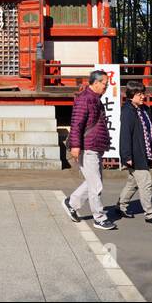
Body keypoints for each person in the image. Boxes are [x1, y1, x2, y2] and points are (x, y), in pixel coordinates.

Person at [63, 69, 116, 230]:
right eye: (104, 84)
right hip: (87, 147)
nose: (106, 87)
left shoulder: (95, 100)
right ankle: (99, 217)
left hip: (95, 145)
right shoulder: (85, 99)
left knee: (94, 181)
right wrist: (76, 146)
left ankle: (71, 203)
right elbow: (77, 124)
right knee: (96, 185)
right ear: (96, 82)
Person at [115, 83, 152, 225]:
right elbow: (125, 135)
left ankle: (121, 206)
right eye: (139, 94)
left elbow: (150, 130)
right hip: (134, 153)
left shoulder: (144, 109)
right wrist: (126, 156)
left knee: (133, 183)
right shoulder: (128, 111)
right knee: (146, 182)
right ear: (131, 96)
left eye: (143, 93)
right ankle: (150, 213)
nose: (143, 96)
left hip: (144, 151)